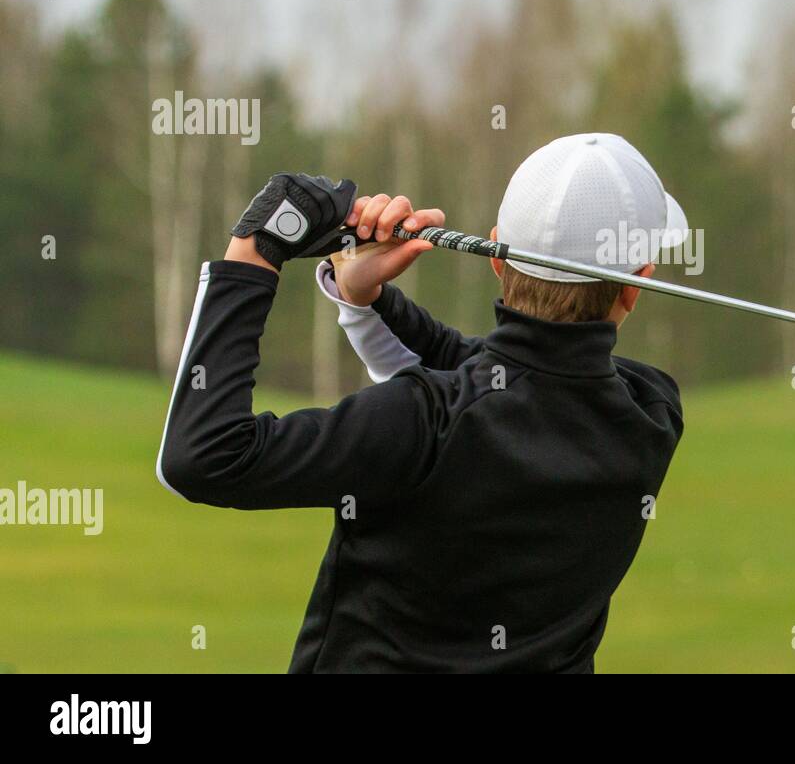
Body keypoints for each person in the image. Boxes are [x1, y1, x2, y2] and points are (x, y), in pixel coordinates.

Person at [156, 133, 688, 673]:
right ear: (635, 284)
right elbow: (509, 374)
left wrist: (254, 251)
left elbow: (205, 457)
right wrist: (366, 302)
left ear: (497, 256)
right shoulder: (652, 412)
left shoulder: (426, 421)